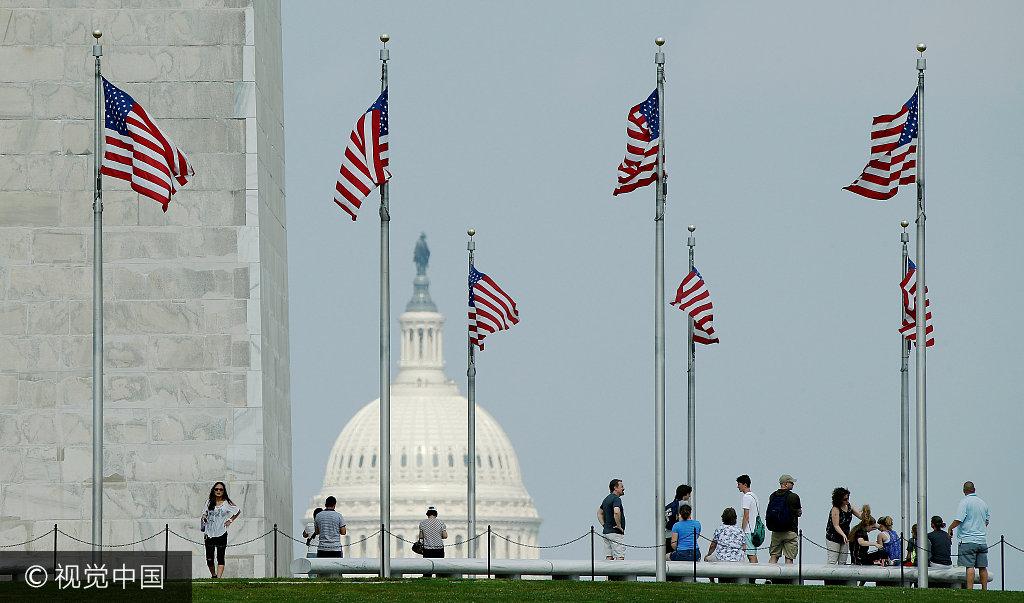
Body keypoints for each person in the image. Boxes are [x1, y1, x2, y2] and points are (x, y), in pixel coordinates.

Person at [949, 481, 991, 590]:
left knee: (970, 567)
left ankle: (970, 589)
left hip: (968, 540)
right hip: (982, 540)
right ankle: (984, 590)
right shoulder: (983, 503)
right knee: (983, 567)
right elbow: (986, 521)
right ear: (974, 489)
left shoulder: (964, 502)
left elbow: (959, 519)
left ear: (964, 491)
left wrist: (950, 528)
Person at [200, 481, 241, 579]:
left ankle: (218, 578)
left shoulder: (227, 503)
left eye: (221, 489)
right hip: (209, 533)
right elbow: (204, 513)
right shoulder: (209, 501)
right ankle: (213, 575)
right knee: (209, 558)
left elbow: (238, 511)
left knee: (220, 557)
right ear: (213, 490)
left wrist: (230, 520)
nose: (218, 491)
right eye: (216, 489)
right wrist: (204, 517)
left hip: (221, 533)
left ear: (223, 491)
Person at [766, 474, 801, 564]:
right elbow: (799, 513)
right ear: (785, 484)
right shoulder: (794, 497)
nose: (793, 484)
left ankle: (769, 577)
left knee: (774, 556)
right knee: (789, 558)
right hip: (790, 531)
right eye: (791, 482)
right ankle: (787, 578)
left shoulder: (772, 496)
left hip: (776, 531)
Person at [824, 487, 862, 565]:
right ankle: (830, 577)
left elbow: (860, 515)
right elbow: (836, 525)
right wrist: (843, 535)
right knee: (832, 560)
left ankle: (840, 577)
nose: (847, 501)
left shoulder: (849, 506)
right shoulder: (835, 509)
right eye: (845, 499)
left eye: (848, 498)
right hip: (833, 537)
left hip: (845, 537)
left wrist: (867, 517)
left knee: (843, 561)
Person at [597, 479, 626, 560]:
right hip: (615, 533)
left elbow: (599, 513)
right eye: (622, 487)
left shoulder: (606, 499)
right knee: (620, 556)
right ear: (615, 488)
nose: (623, 488)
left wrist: (604, 525)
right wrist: (619, 526)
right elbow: (616, 511)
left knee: (609, 557)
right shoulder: (616, 499)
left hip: (606, 532)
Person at [736, 475, 761, 563]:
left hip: (748, 530)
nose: (737, 486)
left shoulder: (746, 497)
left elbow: (746, 516)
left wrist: (741, 531)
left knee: (751, 555)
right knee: (753, 553)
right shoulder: (754, 496)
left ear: (745, 484)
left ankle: (754, 575)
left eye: (739, 484)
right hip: (754, 529)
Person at [664, 484, 692, 554]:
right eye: (688, 494)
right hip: (677, 536)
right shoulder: (684, 504)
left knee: (668, 561)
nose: (689, 496)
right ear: (685, 494)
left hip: (667, 536)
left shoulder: (669, 506)